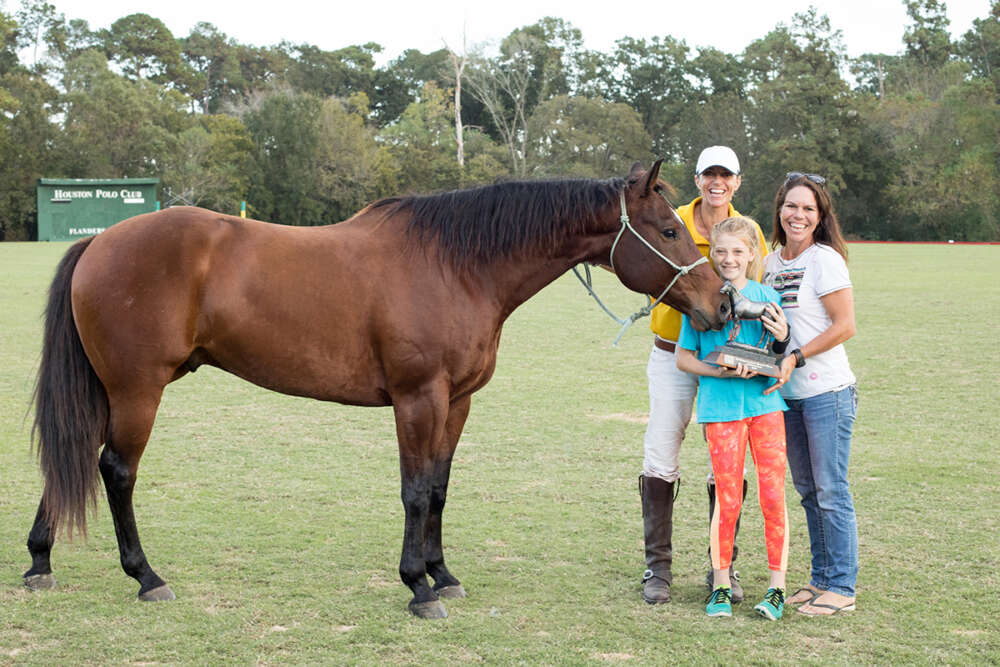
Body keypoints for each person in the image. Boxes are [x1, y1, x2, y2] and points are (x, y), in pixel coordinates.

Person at [638, 146, 768, 605]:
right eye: (709, 174)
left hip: (727, 360)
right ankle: (657, 569)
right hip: (672, 351)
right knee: (661, 453)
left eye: (725, 176)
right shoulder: (668, 220)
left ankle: (723, 566)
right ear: (697, 179)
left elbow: (760, 287)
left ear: (737, 181)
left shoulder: (748, 231)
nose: (718, 182)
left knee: (726, 461)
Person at [676, 216, 791, 620]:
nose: (728, 259)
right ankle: (721, 585)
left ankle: (776, 589)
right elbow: (683, 358)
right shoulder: (701, 296)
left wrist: (780, 338)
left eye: (737, 252)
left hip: (765, 408)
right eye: (720, 251)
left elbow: (781, 353)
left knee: (772, 496)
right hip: (720, 409)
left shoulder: (766, 295)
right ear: (712, 253)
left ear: (751, 255)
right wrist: (719, 371)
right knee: (727, 499)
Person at [762, 172, 858, 616]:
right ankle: (820, 579)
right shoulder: (770, 262)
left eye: (808, 209)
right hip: (788, 395)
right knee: (806, 489)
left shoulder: (825, 260)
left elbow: (845, 326)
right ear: (779, 209)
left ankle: (841, 586)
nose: (798, 215)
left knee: (830, 488)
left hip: (827, 392)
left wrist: (796, 356)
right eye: (792, 206)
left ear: (820, 218)